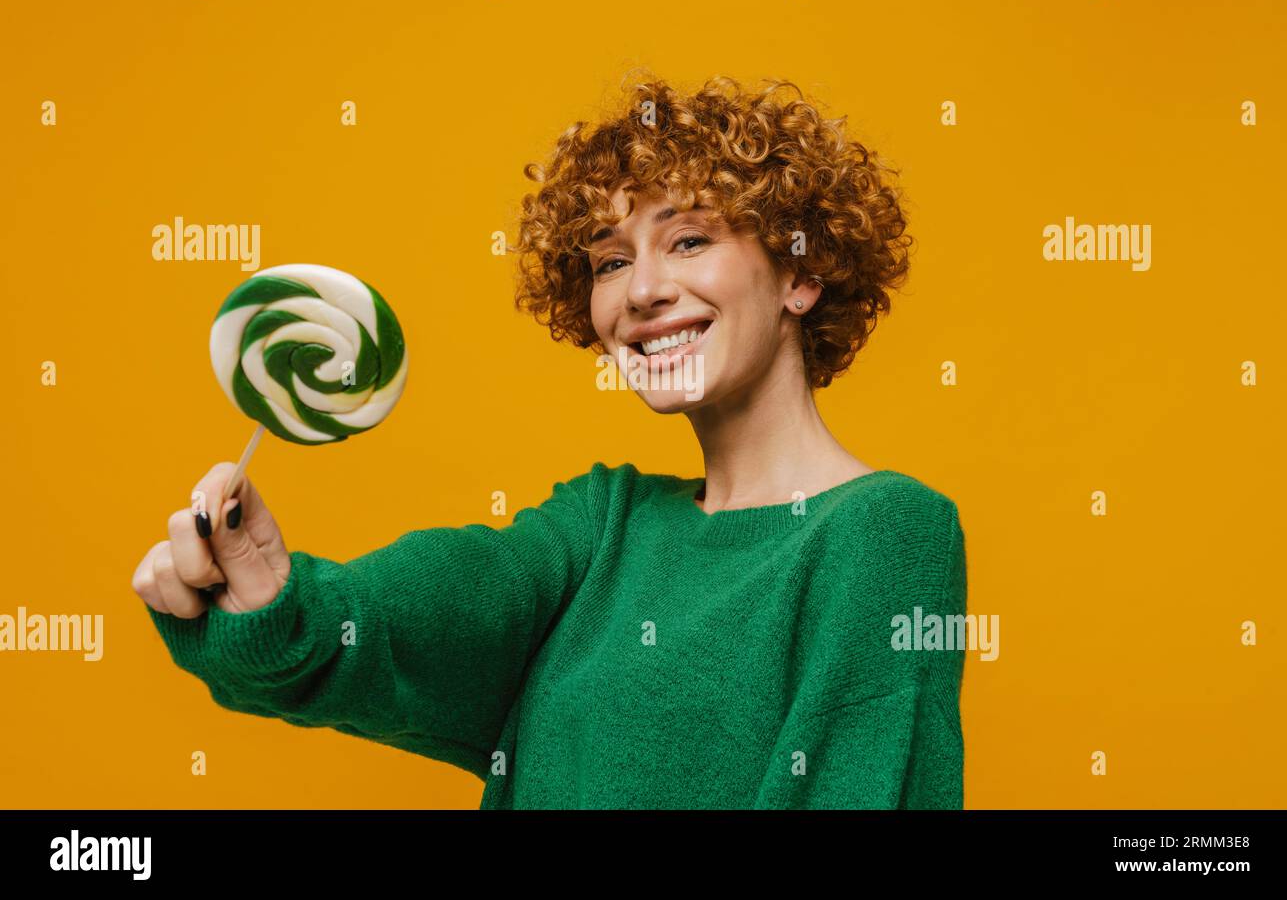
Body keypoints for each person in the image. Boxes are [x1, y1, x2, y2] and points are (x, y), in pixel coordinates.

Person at [133, 73, 968, 809]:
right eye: (609, 262)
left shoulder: (885, 531)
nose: (642, 290)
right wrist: (274, 595)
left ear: (800, 273)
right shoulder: (604, 524)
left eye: (689, 239)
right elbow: (418, 614)